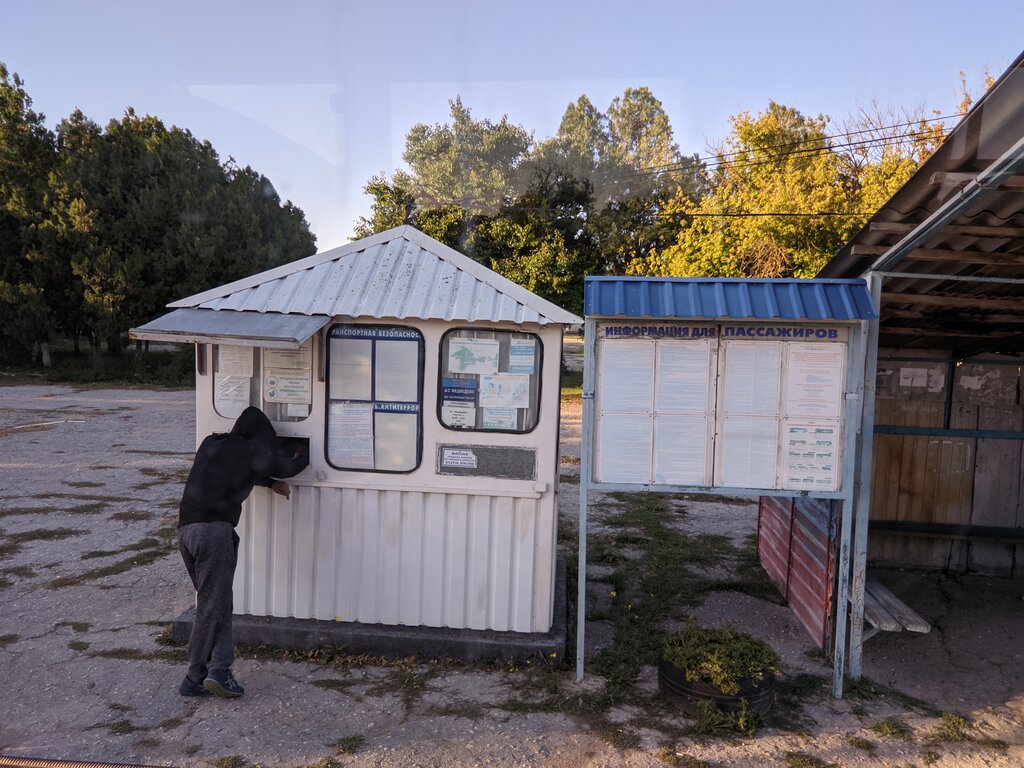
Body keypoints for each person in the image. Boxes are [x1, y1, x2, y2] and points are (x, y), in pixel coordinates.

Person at [176, 406, 308, 698]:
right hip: (214, 534)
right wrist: (304, 449)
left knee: (219, 603)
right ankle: (194, 676)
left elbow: (240, 471)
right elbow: (286, 467)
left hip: (186, 532)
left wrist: (270, 484)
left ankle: (219, 670)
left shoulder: (212, 443)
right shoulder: (249, 449)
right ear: (259, 438)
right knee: (211, 608)